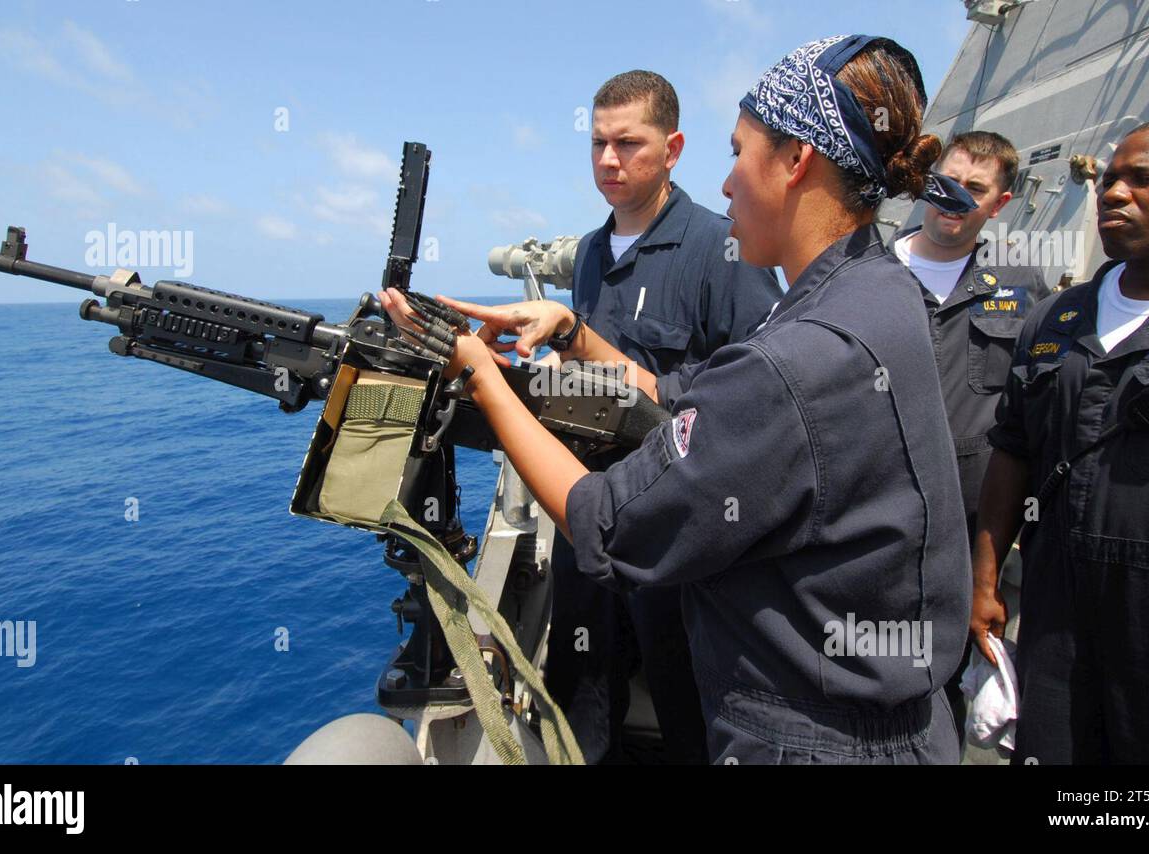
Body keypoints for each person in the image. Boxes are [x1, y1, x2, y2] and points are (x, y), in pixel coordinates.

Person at [383, 34, 975, 763]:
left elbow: (606, 523)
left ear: (796, 162)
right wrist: (572, 332)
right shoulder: (881, 290)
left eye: (739, 152)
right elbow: (686, 389)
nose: (727, 185)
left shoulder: (794, 357)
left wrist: (479, 376)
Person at [970, 118, 1149, 764]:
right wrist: (984, 582)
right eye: (1110, 180)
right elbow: (1014, 451)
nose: (1114, 194)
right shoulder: (1054, 321)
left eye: (1145, 180)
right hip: (1060, 615)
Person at [546, 70, 782, 764]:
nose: (608, 161)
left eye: (629, 143)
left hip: (678, 529)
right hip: (587, 506)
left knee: (687, 701)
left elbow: (756, 385)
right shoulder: (590, 253)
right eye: (597, 144)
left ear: (673, 148)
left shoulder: (720, 249)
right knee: (583, 690)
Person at [891, 130, 1050, 738]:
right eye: (944, 181)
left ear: (999, 204)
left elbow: (1031, 412)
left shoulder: (1021, 287)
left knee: (944, 689)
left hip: (968, 532)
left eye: (974, 189)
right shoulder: (872, 272)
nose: (953, 196)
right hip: (878, 519)